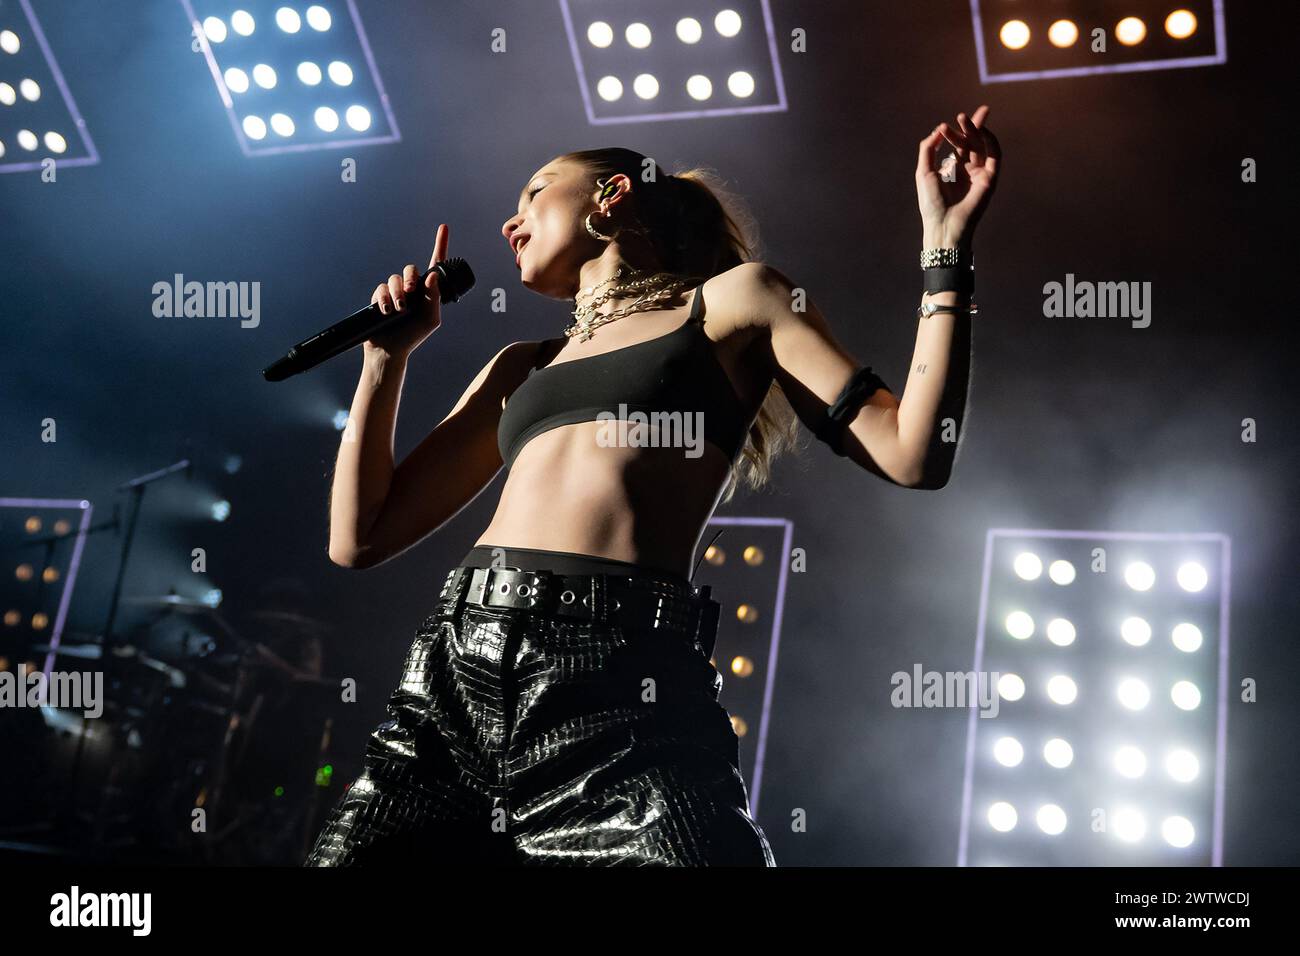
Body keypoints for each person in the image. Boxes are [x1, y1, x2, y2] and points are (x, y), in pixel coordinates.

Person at [304, 107, 1001, 866]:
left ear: (611, 197)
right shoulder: (520, 366)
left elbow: (913, 454)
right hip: (449, 682)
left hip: (617, 683)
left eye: (535, 193)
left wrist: (946, 248)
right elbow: (359, 538)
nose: (510, 223)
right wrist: (384, 362)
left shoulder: (734, 302)